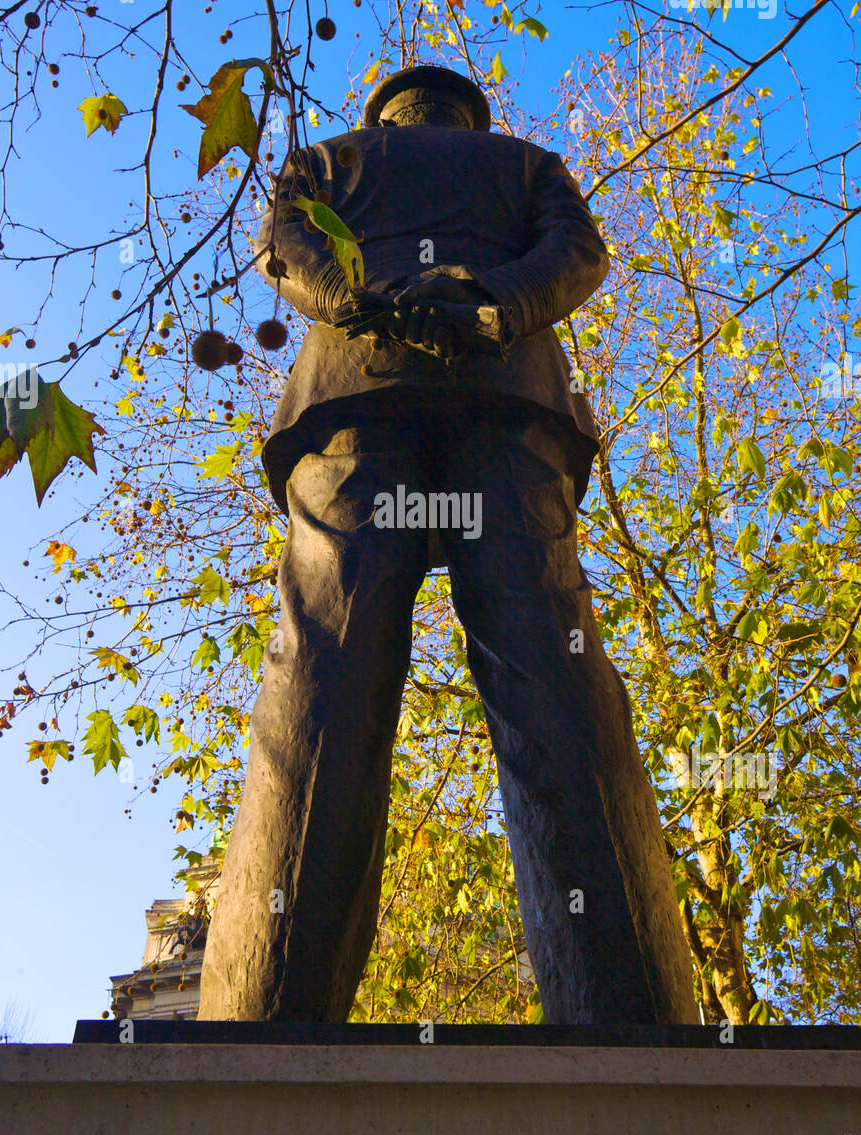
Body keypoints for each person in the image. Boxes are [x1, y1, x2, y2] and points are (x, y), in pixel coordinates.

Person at [197, 64, 698, 1025]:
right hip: (507, 404)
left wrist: (375, 299)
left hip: (355, 402)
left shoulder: (327, 159)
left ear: (384, 109)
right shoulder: (525, 162)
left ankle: (262, 1017)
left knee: (325, 669)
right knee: (553, 673)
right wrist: (485, 302)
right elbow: (577, 254)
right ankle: (631, 1013)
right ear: (470, 114)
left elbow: (287, 248)